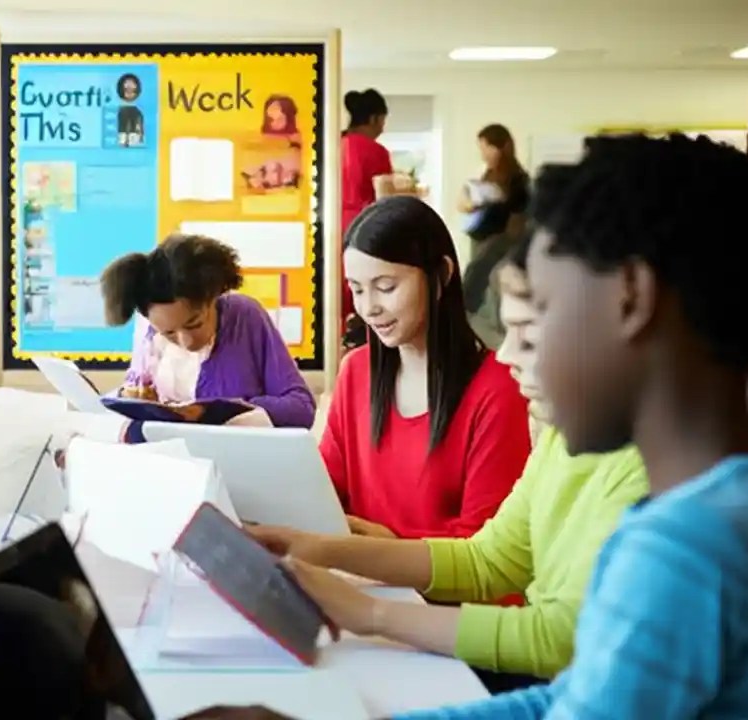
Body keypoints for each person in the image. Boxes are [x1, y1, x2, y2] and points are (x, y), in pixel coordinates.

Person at [187, 132, 748, 720]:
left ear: (630, 299)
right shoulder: (711, 508)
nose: (508, 356)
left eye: (542, 316)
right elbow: (565, 698)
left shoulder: (688, 547)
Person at [248, 234, 648, 692]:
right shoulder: (564, 432)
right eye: (357, 289)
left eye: (529, 339)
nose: (508, 356)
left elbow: (558, 638)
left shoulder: (648, 475)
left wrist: (372, 614)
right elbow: (487, 560)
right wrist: (313, 547)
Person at [326, 196, 531, 539]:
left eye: (386, 287)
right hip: (353, 582)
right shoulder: (355, 371)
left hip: (439, 592)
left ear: (441, 276)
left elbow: (489, 550)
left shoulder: (497, 388)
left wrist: (386, 547)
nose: (369, 308)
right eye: (357, 290)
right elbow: (325, 492)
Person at [100, 234, 315, 437]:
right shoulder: (148, 331)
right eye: (169, 333)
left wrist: (224, 410)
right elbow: (130, 392)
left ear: (213, 298)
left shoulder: (244, 316)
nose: (186, 341)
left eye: (195, 324)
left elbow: (301, 407)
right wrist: (129, 397)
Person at [339, 88, 418, 348]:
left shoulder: (335, 144)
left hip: (331, 225)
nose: (382, 128)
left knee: (337, 293)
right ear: (374, 119)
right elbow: (384, 195)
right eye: (382, 121)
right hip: (363, 225)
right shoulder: (376, 151)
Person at [459, 124, 531, 340]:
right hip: (481, 240)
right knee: (480, 287)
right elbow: (466, 204)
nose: (483, 154)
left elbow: (519, 218)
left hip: (500, 243)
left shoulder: (518, 180)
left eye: (486, 148)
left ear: (500, 148)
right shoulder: (487, 175)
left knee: (484, 286)